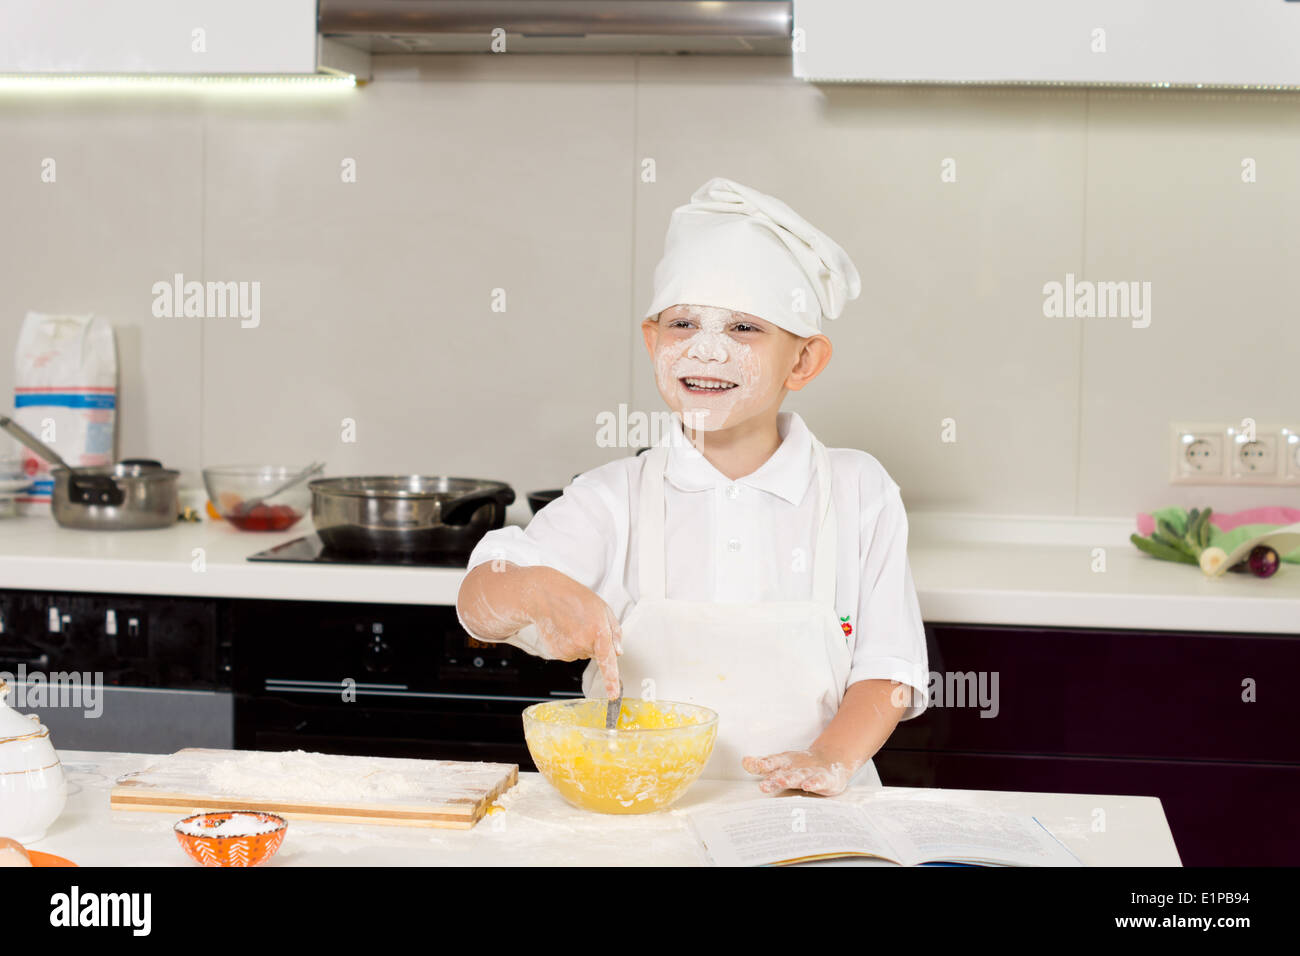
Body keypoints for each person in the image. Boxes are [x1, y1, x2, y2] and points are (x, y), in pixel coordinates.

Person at [457, 177, 928, 795]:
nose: (707, 350)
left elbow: (887, 671)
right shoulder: (613, 496)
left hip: (810, 817)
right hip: (637, 811)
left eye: (744, 329)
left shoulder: (857, 489)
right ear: (653, 341)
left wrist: (828, 760)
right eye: (683, 323)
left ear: (804, 360)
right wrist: (534, 587)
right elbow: (478, 605)